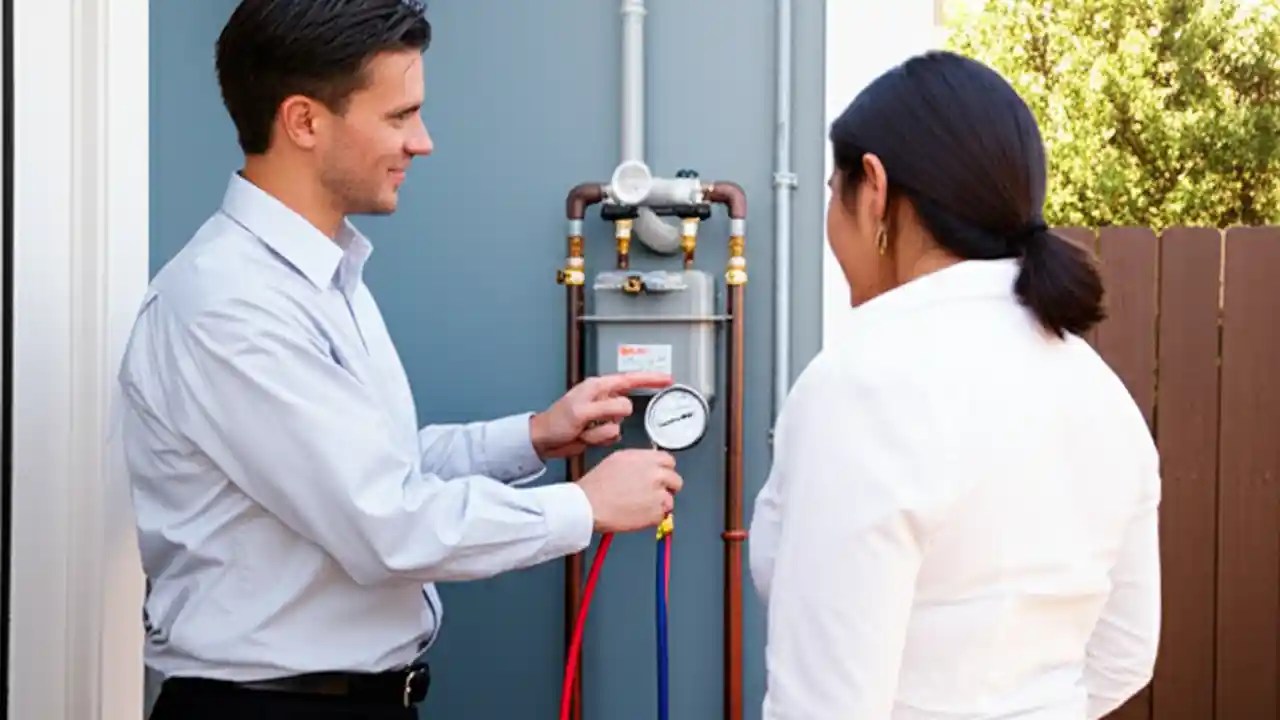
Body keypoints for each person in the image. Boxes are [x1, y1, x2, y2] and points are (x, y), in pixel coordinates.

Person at [119, 2, 683, 718]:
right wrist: (585, 506)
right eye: (398, 116)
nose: (423, 142)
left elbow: (374, 473)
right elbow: (385, 523)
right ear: (304, 121)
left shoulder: (323, 279)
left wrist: (534, 435)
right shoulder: (228, 305)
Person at [748, 51, 1161, 719]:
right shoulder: (1099, 389)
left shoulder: (862, 384)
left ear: (874, 189)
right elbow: (1126, 654)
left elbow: (825, 707)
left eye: (832, 189)